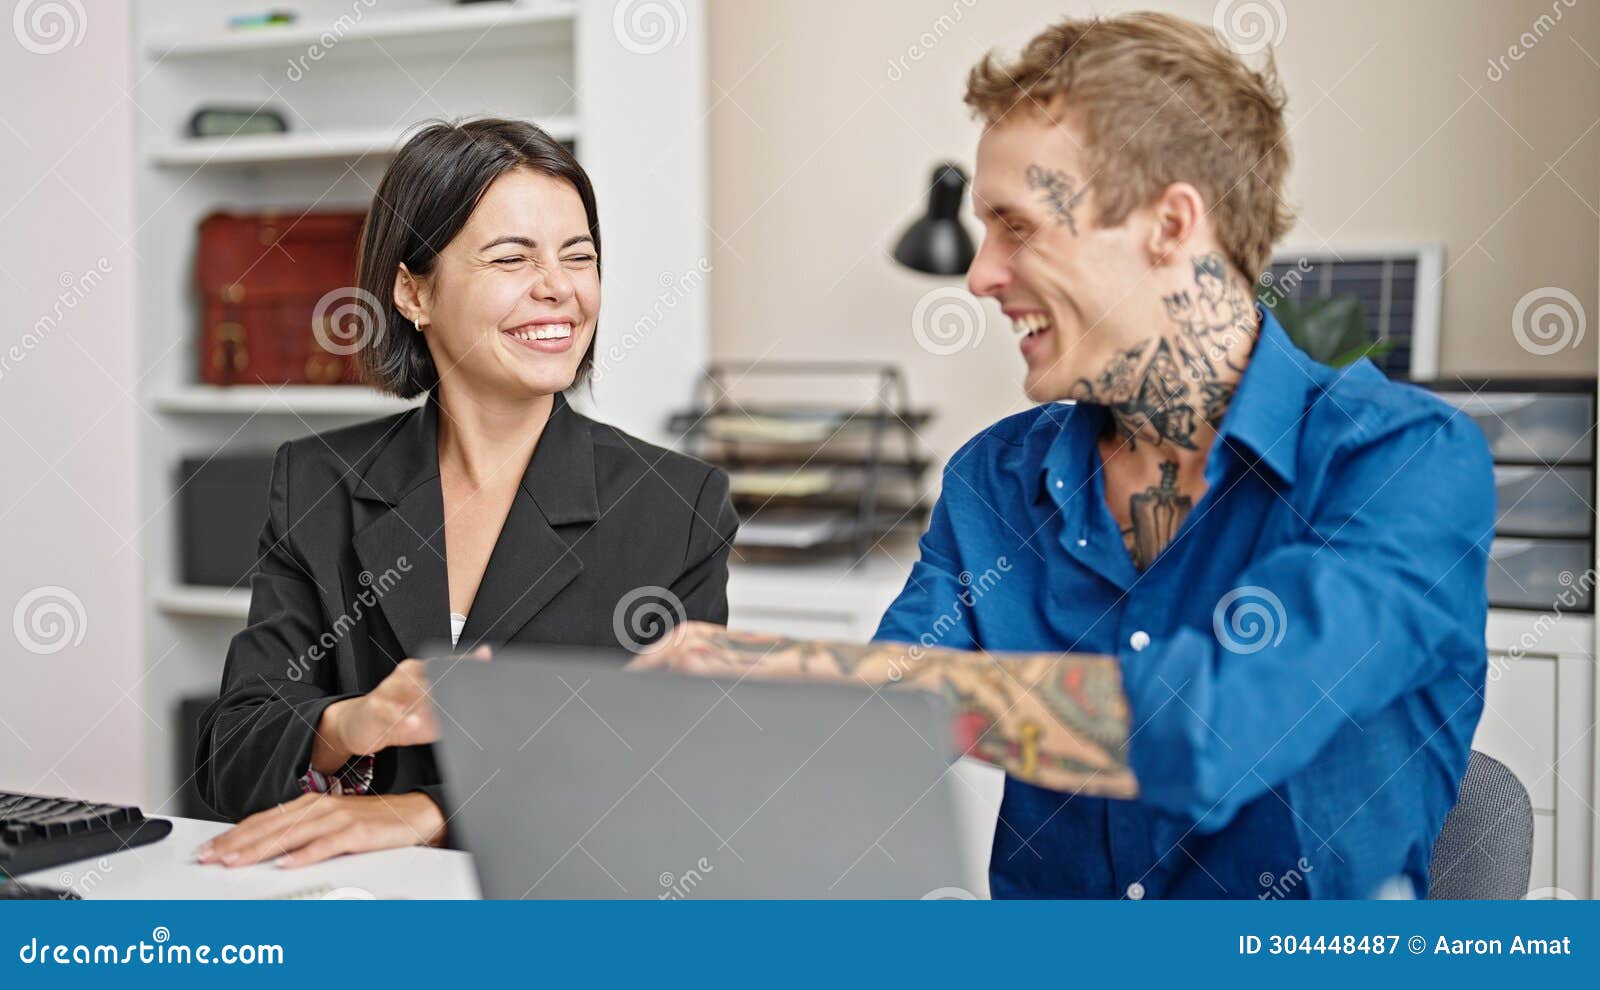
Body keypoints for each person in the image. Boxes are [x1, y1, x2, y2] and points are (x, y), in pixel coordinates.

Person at [637, 13, 1494, 899]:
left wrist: (796, 668)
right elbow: (880, 720)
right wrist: (582, 719)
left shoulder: (1406, 463)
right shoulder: (995, 481)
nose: (979, 275)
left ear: (1171, 224)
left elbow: (1208, 726)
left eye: (1017, 226)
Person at [194, 119, 737, 868]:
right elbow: (234, 751)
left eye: (579, 257)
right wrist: (355, 722)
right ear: (414, 291)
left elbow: (677, 778)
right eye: (512, 258)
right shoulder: (319, 483)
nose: (558, 288)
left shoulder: (676, 506)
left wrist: (433, 813)